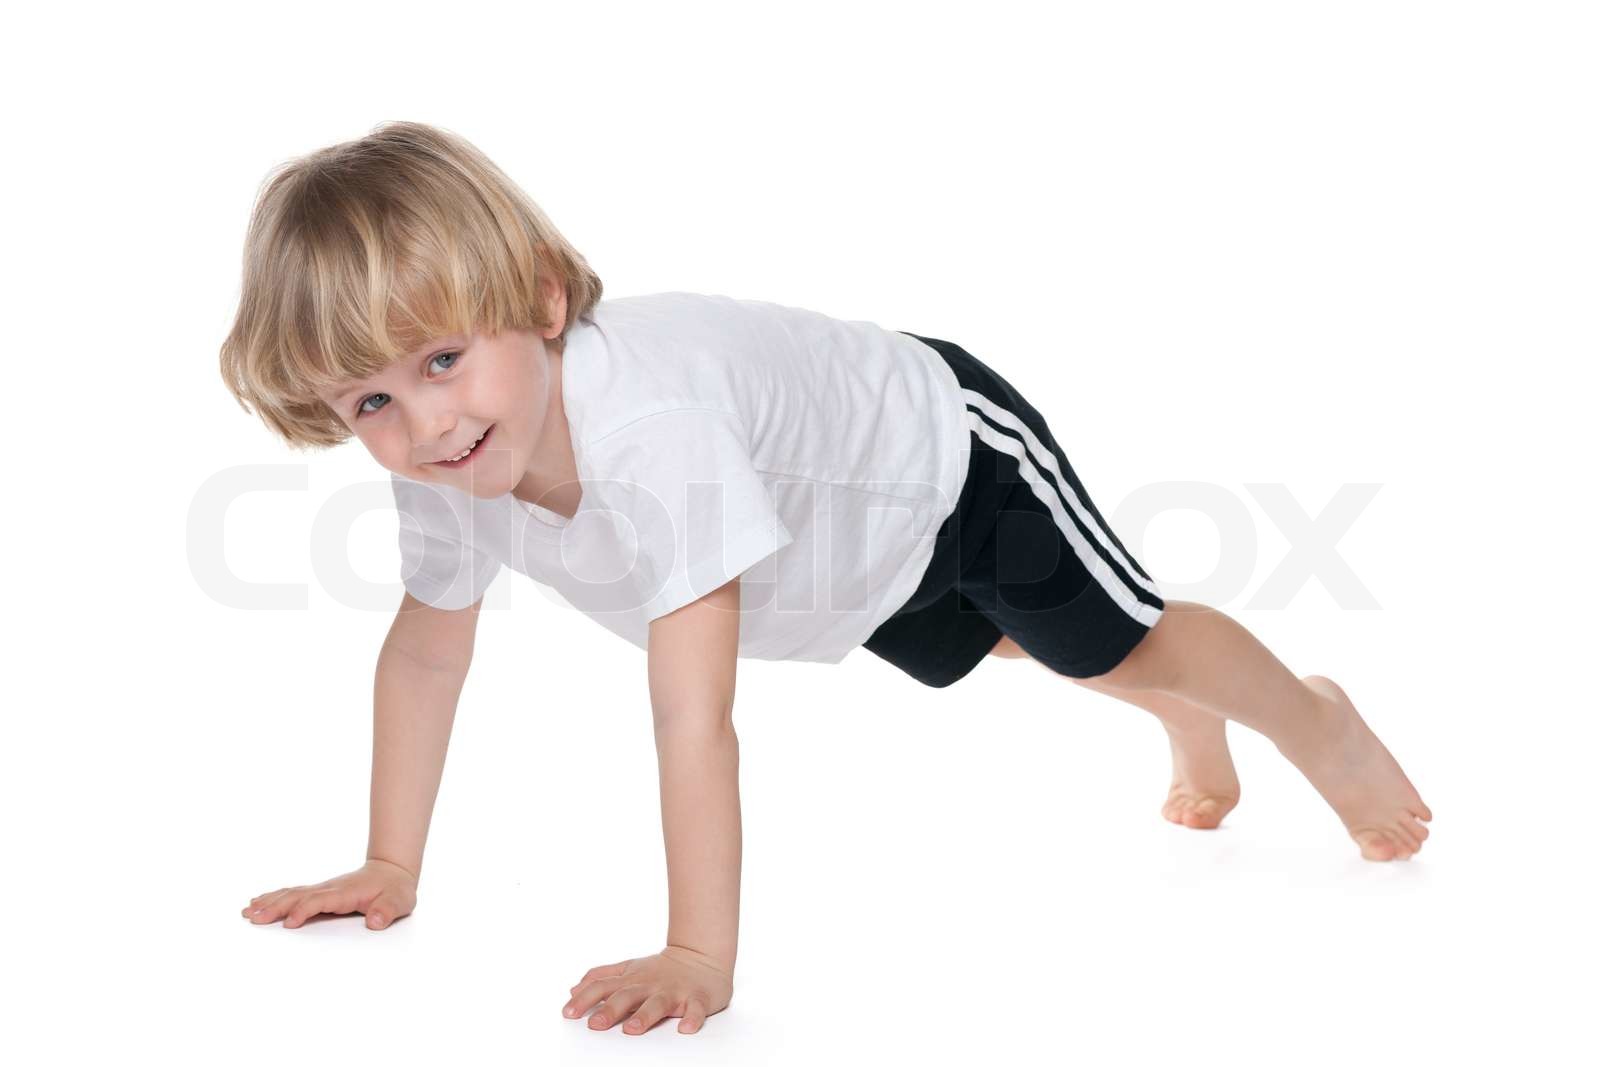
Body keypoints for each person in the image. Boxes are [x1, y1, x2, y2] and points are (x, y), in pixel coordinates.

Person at [220, 121, 1432, 1037]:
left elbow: (692, 715)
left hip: (940, 455)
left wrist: (698, 952)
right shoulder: (448, 464)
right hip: (834, 543)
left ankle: (1311, 718)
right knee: (1022, 641)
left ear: (539, 299)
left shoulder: (654, 432)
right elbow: (427, 653)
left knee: (1115, 636)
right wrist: (389, 861)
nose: (425, 422)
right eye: (371, 400)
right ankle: (1186, 721)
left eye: (442, 358)